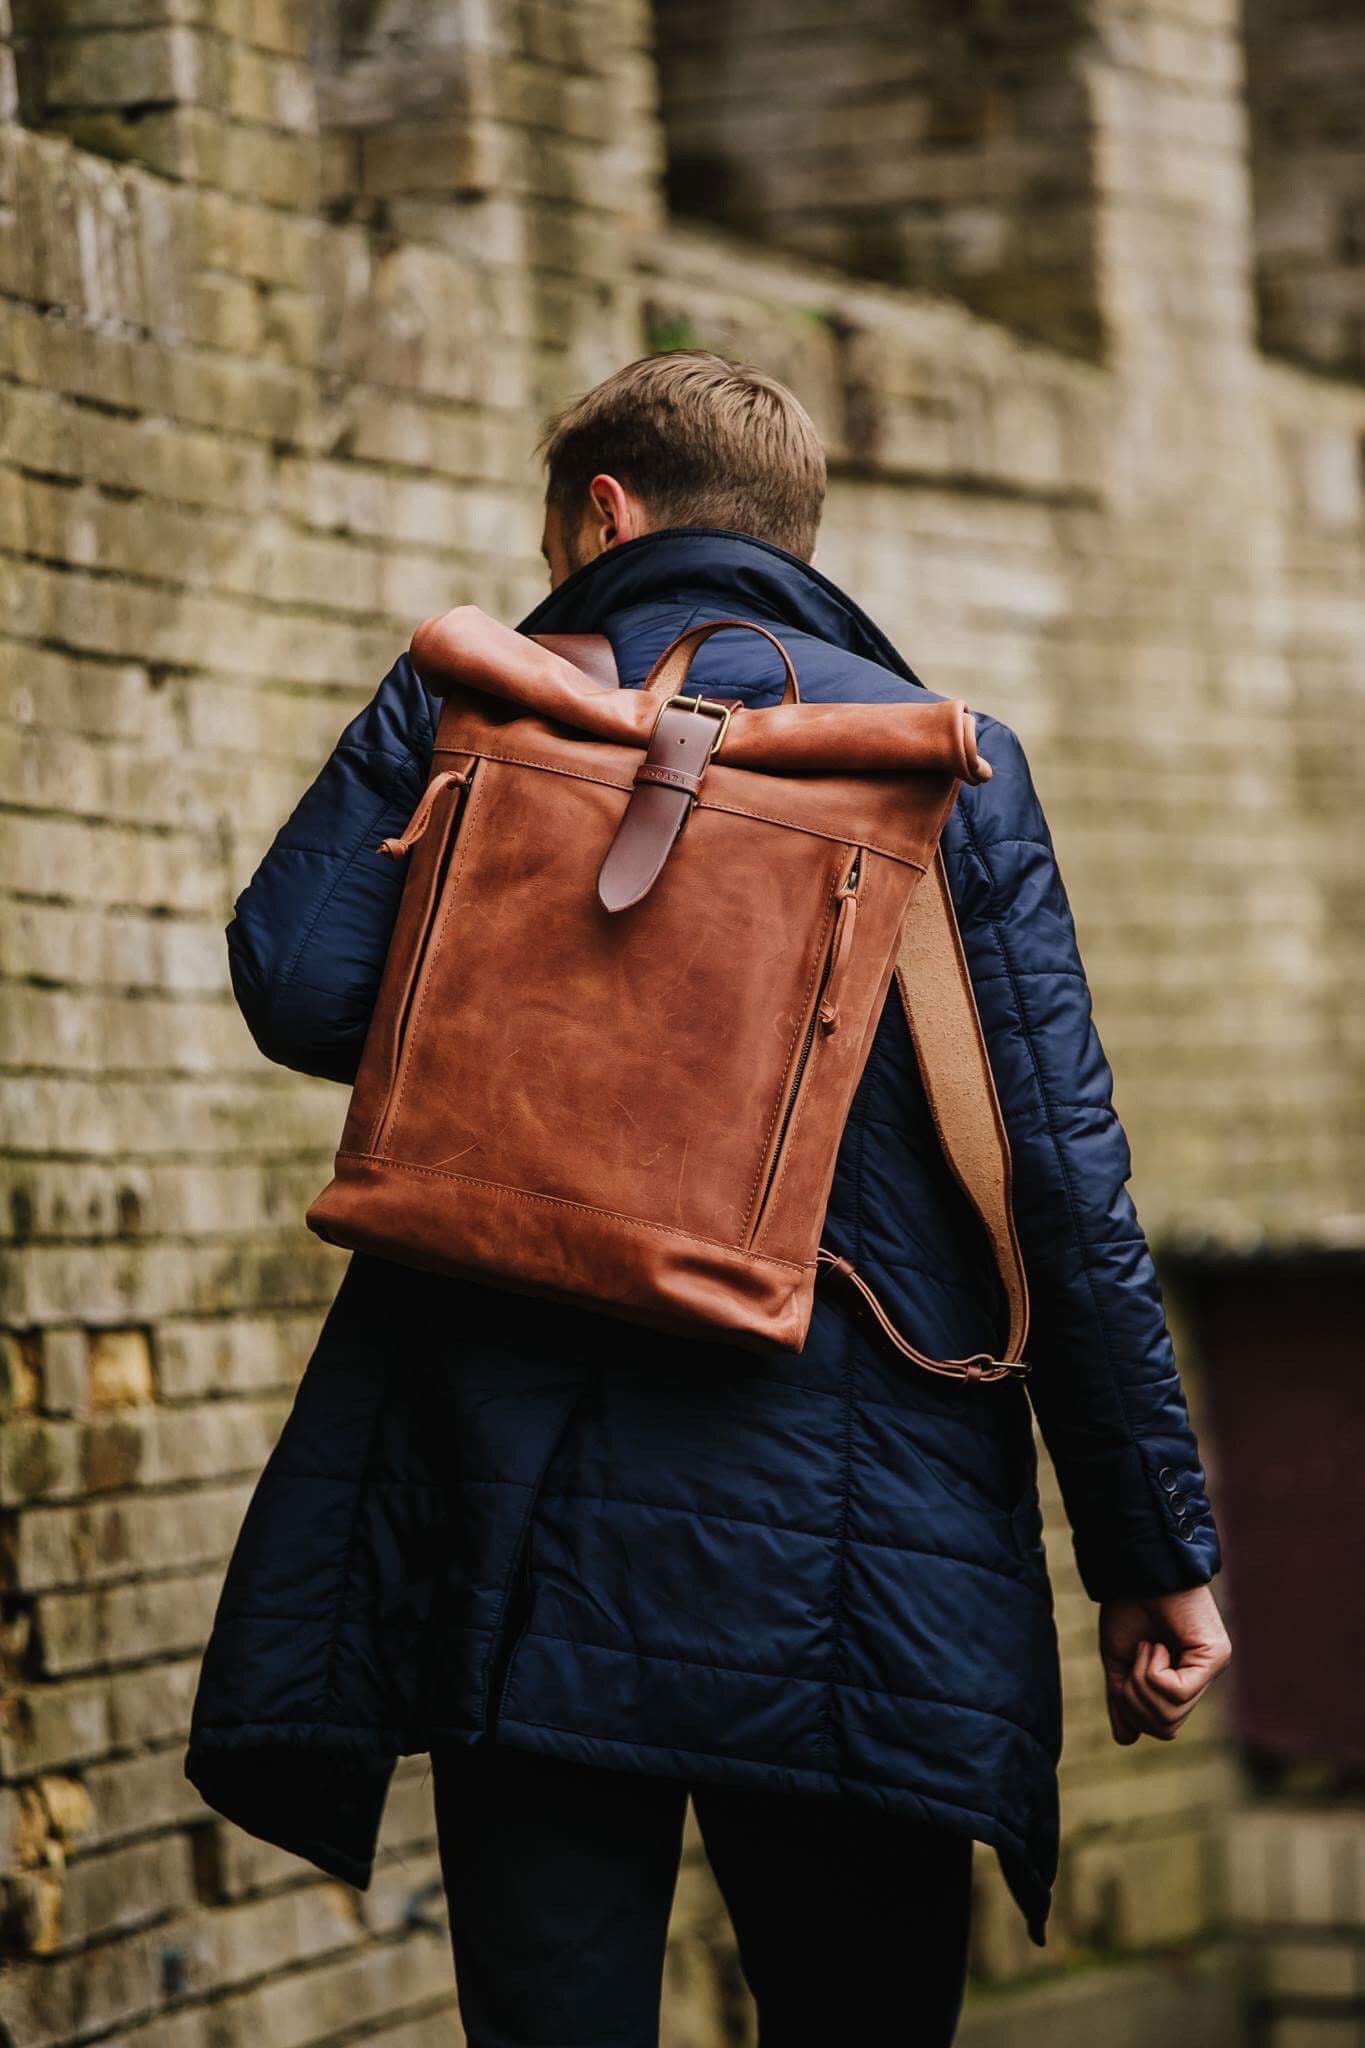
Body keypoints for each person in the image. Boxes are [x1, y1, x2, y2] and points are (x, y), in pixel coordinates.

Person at [187, 352, 1231, 2046]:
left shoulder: (503, 706)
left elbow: (303, 991)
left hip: (513, 1533)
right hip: (866, 1559)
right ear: (800, 537)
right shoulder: (937, 769)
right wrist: (1151, 1551)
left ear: (601, 513)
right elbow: (1057, 1178)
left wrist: (434, 704)